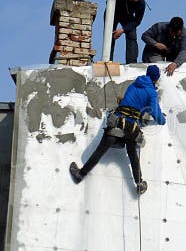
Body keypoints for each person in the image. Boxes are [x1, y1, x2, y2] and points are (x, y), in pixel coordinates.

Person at [69, 65, 166, 194]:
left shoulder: (134, 84)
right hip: (131, 128)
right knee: (132, 153)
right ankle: (139, 183)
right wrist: (162, 120)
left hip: (117, 122)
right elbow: (156, 114)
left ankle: (80, 174)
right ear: (156, 79)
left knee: (100, 150)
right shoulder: (152, 93)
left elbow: (130, 101)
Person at [101, 0, 148, 64]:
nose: (135, 0)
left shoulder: (141, 3)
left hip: (127, 15)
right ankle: (108, 61)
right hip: (113, 11)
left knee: (132, 34)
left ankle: (131, 62)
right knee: (110, 35)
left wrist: (123, 30)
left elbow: (137, 21)